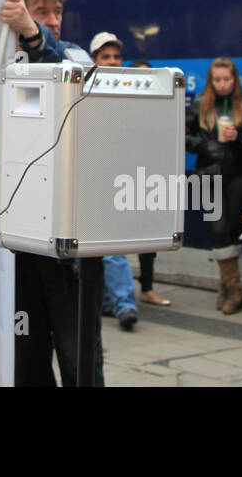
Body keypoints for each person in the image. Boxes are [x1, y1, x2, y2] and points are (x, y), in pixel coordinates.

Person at [0, 0, 103, 385]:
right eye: (42, 11)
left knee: (78, 351)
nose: (54, 19)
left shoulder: (72, 53)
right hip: (16, 238)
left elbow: (80, 85)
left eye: (56, 11)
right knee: (25, 354)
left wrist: (35, 34)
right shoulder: (3, 61)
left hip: (67, 237)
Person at [186, 57, 242, 314]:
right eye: (217, 80)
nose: (222, 84)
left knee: (231, 228)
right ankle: (233, 289)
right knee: (218, 229)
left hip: (238, 173)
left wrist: (239, 137)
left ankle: (228, 287)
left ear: (234, 80)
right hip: (208, 172)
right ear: (211, 81)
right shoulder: (199, 104)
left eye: (227, 79)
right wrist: (203, 145)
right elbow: (182, 134)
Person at [89, 32, 140, 331]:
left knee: (112, 246)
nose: (112, 62)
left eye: (116, 57)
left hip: (117, 176)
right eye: (106, 57)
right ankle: (111, 301)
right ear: (94, 60)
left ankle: (125, 305)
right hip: (91, 175)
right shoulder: (81, 89)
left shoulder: (131, 88)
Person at [129, 59, 170, 307]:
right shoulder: (118, 104)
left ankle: (147, 287)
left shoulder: (160, 105)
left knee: (147, 235)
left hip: (148, 177)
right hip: (121, 177)